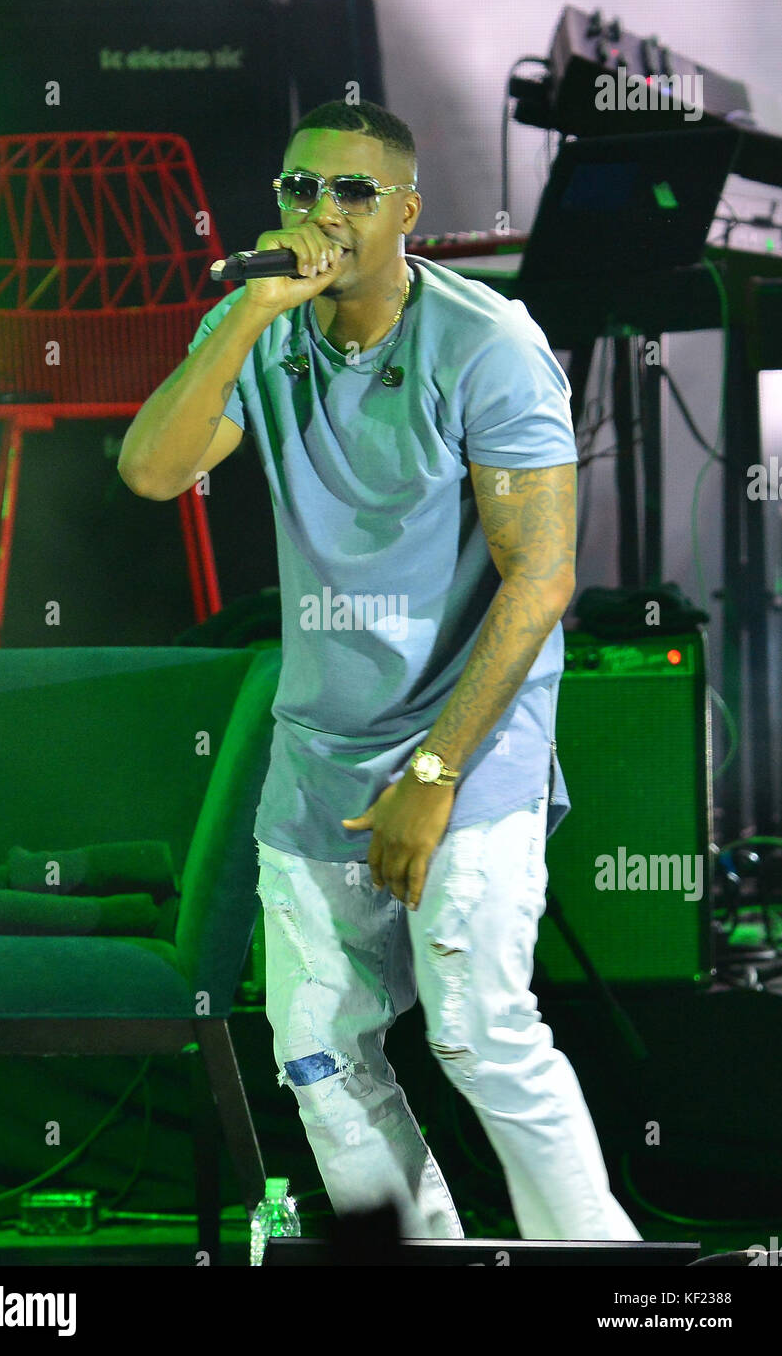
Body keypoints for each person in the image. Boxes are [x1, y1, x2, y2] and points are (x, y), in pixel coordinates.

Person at [118, 98, 641, 1243]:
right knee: (314, 1050)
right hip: (319, 747)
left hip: (469, 741)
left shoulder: (484, 342)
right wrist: (242, 318)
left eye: (354, 193)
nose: (322, 212)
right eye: (300, 187)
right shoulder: (261, 328)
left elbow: (540, 579)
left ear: (405, 211)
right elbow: (152, 471)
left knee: (474, 1026)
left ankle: (613, 1277)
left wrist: (437, 770)